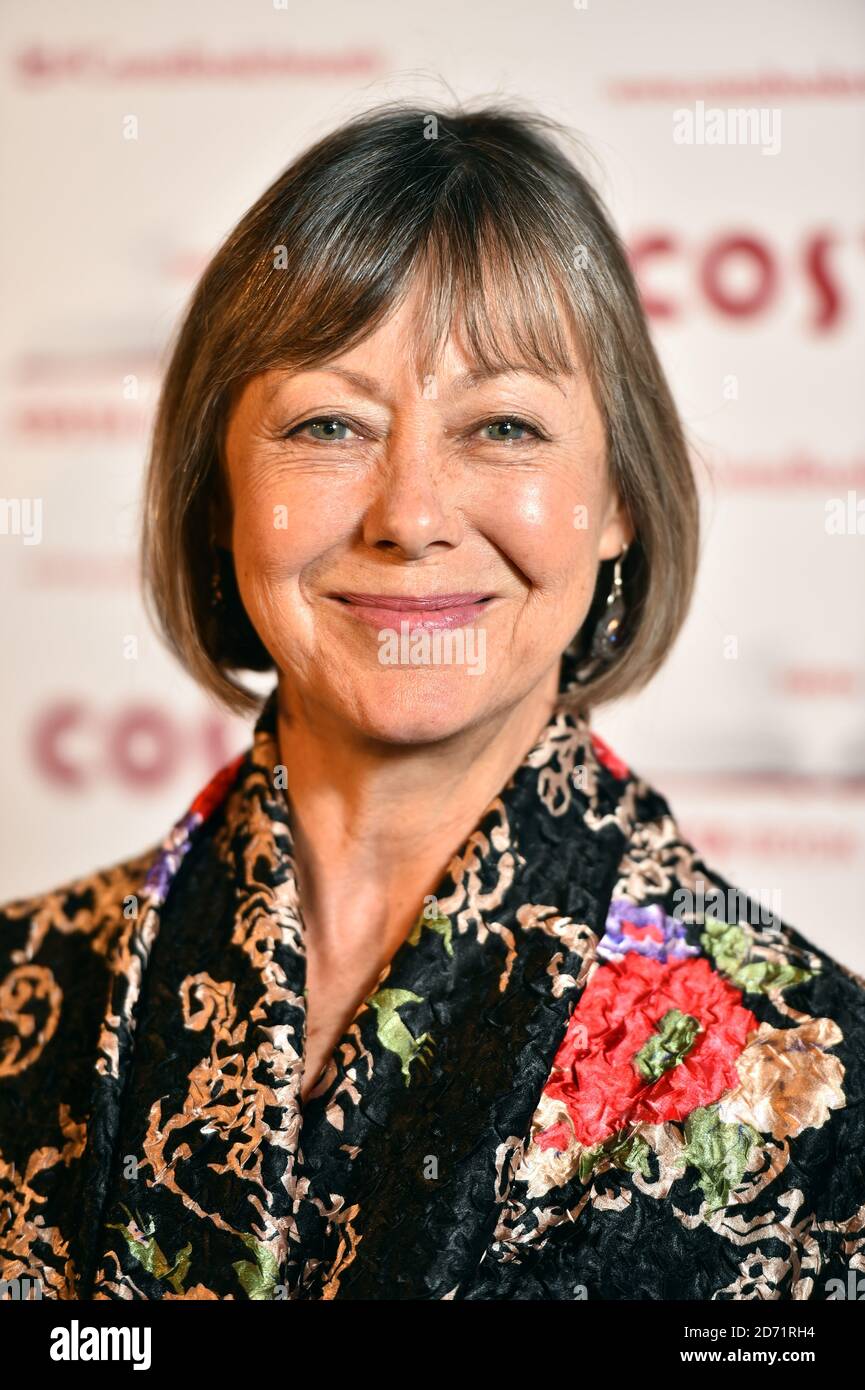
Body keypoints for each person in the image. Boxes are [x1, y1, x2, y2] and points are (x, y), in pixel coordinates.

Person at [1, 103, 863, 1302]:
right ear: (221, 497)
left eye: (503, 426)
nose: (408, 514)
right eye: (327, 424)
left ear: (619, 499)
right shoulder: (18, 989)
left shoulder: (824, 1092)